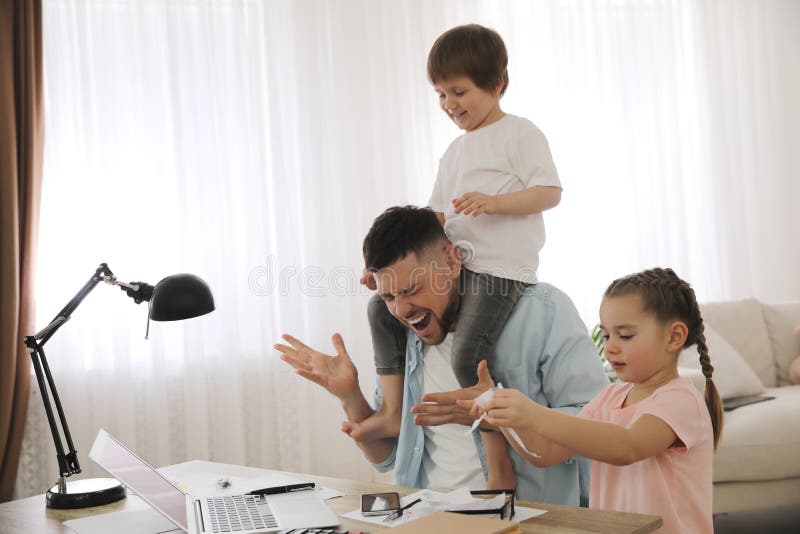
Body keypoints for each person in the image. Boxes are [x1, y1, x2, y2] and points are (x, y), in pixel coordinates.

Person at [277, 206, 608, 504]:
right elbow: (389, 458)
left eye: (411, 290)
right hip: (426, 517)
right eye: (389, 296)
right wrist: (349, 396)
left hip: (528, 517)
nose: (401, 309)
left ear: (452, 261)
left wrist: (502, 418)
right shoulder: (403, 337)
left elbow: (598, 425)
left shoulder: (542, 310)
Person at [353, 24, 563, 490]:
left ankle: (496, 453)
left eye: (459, 92)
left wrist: (496, 203)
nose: (449, 104)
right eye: (440, 94)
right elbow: (433, 217)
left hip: (501, 273)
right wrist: (381, 271)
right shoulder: (454, 152)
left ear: (497, 84)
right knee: (378, 310)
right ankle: (392, 413)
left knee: (468, 354)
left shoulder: (519, 134)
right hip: (460, 270)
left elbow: (549, 193)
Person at [467, 267, 722, 533]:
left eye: (625, 335)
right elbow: (543, 452)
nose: (611, 347)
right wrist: (503, 412)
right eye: (606, 335)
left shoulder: (681, 401)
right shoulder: (610, 398)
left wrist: (533, 413)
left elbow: (627, 447)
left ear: (674, 337)